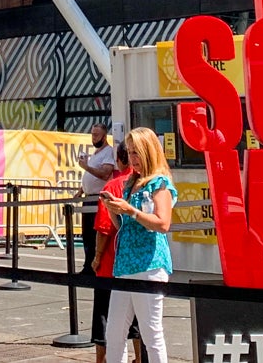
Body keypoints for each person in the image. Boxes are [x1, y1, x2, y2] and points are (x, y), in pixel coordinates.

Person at [99, 127, 175, 363]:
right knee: (114, 332)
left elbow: (163, 223)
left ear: (150, 152)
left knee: (151, 332)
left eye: (137, 153)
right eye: (130, 153)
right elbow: (124, 224)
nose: (133, 159)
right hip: (125, 263)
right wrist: (115, 209)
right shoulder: (130, 182)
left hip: (150, 263)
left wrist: (130, 210)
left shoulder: (159, 183)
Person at [92, 141, 143, 363]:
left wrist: (96, 258)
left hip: (112, 264)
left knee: (106, 318)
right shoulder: (148, 184)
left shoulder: (114, 186)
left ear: (120, 159)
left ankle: (102, 359)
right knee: (142, 319)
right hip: (139, 263)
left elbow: (104, 229)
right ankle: (140, 358)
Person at [79, 123, 118, 340]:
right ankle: (88, 264)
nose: (93, 137)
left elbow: (104, 175)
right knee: (86, 234)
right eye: (92, 133)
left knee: (98, 232)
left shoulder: (108, 153)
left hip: (98, 200)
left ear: (104, 136)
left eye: (96, 134)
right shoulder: (95, 153)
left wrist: (86, 168)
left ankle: (95, 263)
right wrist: (81, 188)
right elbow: (92, 179)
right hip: (89, 198)